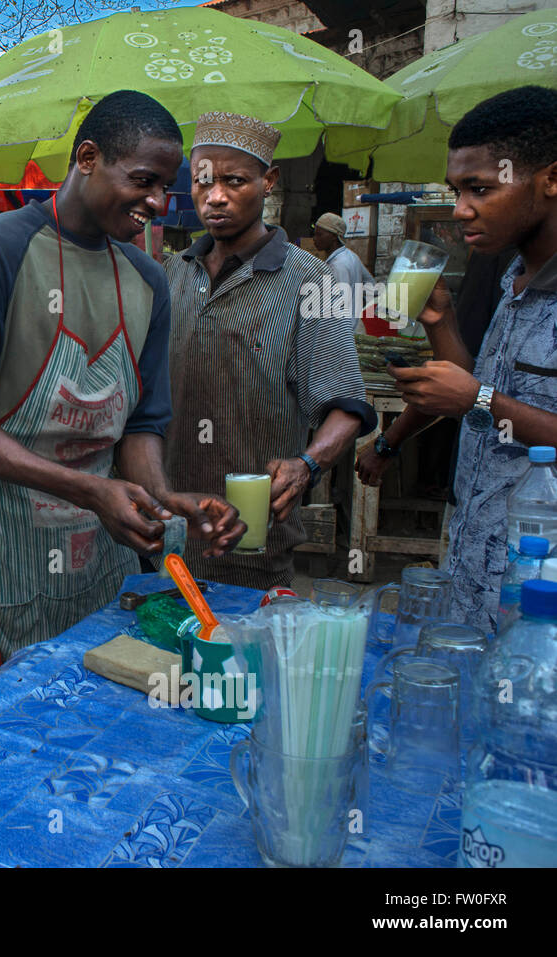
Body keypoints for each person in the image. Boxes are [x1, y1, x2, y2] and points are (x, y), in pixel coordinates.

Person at [0, 91, 245, 684]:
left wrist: (161, 501)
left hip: (100, 568)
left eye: (165, 188)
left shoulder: (148, 281)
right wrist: (89, 490)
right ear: (88, 157)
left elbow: (142, 424)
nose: (156, 202)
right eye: (143, 180)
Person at [359, 85, 557, 635]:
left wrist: (480, 399)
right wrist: (441, 322)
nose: (459, 208)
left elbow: (484, 398)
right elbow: (483, 391)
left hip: (540, 593)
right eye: (456, 189)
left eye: (480, 189)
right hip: (474, 568)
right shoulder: (512, 278)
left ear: (551, 179)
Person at [165, 111, 376, 592]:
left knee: (238, 660)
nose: (215, 196)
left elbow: (347, 403)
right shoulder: (172, 274)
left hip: (250, 537)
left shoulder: (314, 279)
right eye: (202, 182)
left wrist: (307, 464)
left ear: (269, 181)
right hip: (170, 528)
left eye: (235, 181)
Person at [312, 211, 374, 334]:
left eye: (320, 235)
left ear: (334, 236)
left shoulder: (337, 265)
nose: (314, 239)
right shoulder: (352, 256)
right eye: (315, 234)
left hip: (340, 333)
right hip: (352, 327)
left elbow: (337, 305)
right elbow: (371, 285)